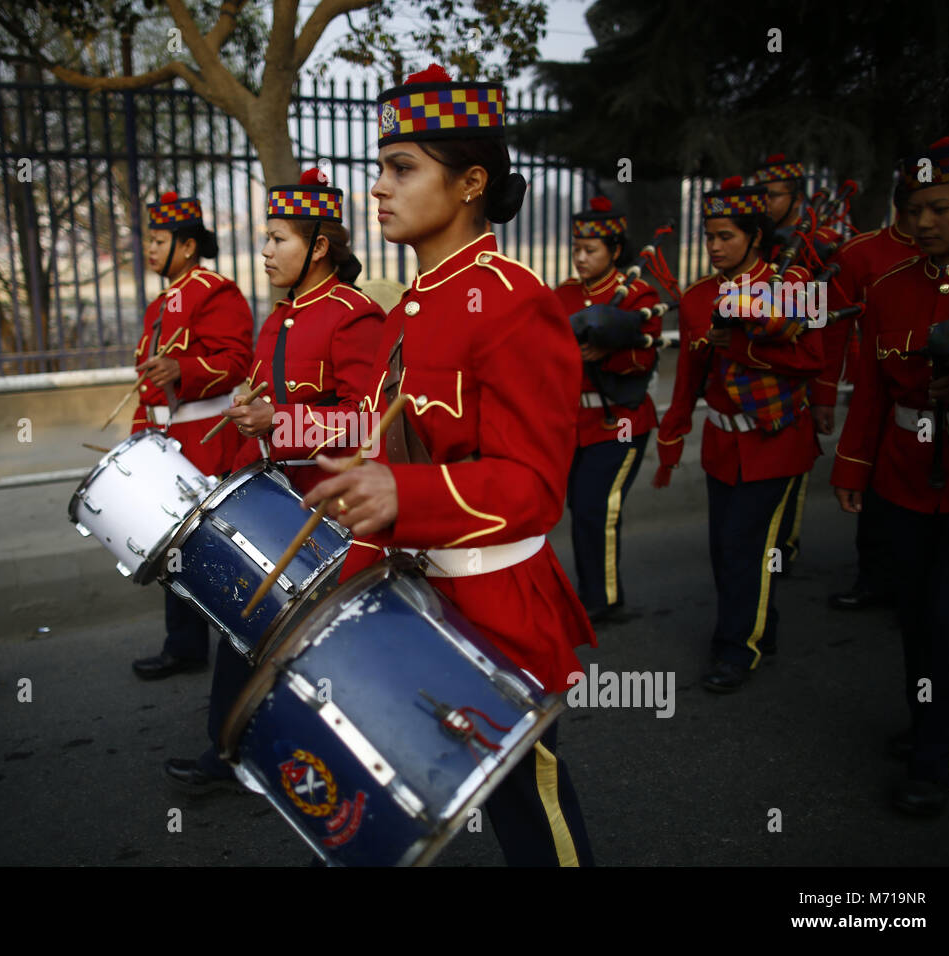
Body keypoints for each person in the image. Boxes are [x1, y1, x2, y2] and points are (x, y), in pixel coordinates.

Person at [302, 64, 596, 866]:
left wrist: (402, 490)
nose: (378, 188)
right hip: (425, 598)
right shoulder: (413, 305)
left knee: (532, 810)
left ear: (471, 182)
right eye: (380, 167)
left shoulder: (512, 298)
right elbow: (392, 440)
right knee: (462, 794)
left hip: (496, 600)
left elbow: (535, 487)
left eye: (403, 168)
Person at [163, 169, 384, 791]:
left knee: (319, 648)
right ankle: (233, 750)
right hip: (275, 501)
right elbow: (267, 399)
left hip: (333, 510)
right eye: (264, 237)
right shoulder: (278, 318)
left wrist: (281, 420)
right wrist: (248, 413)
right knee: (245, 622)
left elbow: (372, 421)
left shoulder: (352, 316)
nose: (263, 251)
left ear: (318, 246)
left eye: (277, 238)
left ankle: (329, 767)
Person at [831, 136, 949, 816]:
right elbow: (870, 391)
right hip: (902, 477)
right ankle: (929, 722)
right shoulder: (889, 288)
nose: (923, 223)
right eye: (914, 209)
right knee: (914, 619)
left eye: (941, 208)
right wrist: (853, 465)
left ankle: (938, 754)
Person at [653, 177, 824, 692]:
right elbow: (688, 377)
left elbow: (813, 360)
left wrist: (744, 347)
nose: (714, 246)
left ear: (755, 236)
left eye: (726, 236)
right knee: (724, 549)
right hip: (723, 445)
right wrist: (672, 437)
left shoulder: (794, 288)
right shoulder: (699, 298)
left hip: (777, 442)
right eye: (709, 236)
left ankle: (735, 650)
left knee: (742, 547)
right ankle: (759, 627)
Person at [128, 192, 253, 681]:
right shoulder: (161, 301)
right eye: (150, 241)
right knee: (169, 550)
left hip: (203, 438)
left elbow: (235, 362)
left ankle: (238, 645)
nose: (151, 250)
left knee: (204, 550)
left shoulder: (215, 290)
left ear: (187, 245)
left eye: (159, 241)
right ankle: (183, 647)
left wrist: (181, 368)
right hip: (162, 438)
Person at [554, 197, 661, 623]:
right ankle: (591, 593)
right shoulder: (562, 294)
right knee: (579, 506)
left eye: (591, 250)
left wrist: (608, 353)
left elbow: (644, 360)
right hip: (573, 423)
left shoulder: (639, 295)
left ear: (616, 251)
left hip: (619, 421)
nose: (580, 258)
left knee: (596, 504)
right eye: (576, 248)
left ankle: (602, 600)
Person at [821, 182, 918, 611]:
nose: (928, 222)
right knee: (875, 493)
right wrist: (824, 393)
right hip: (879, 396)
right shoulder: (861, 254)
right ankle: (872, 578)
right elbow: (833, 328)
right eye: (919, 208)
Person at [753, 154, 845, 554]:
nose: (765, 204)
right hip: (754, 374)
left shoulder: (815, 245)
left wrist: (825, 392)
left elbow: (824, 323)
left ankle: (782, 545)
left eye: (772, 196)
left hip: (797, 368)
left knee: (791, 461)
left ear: (795, 197)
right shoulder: (756, 236)